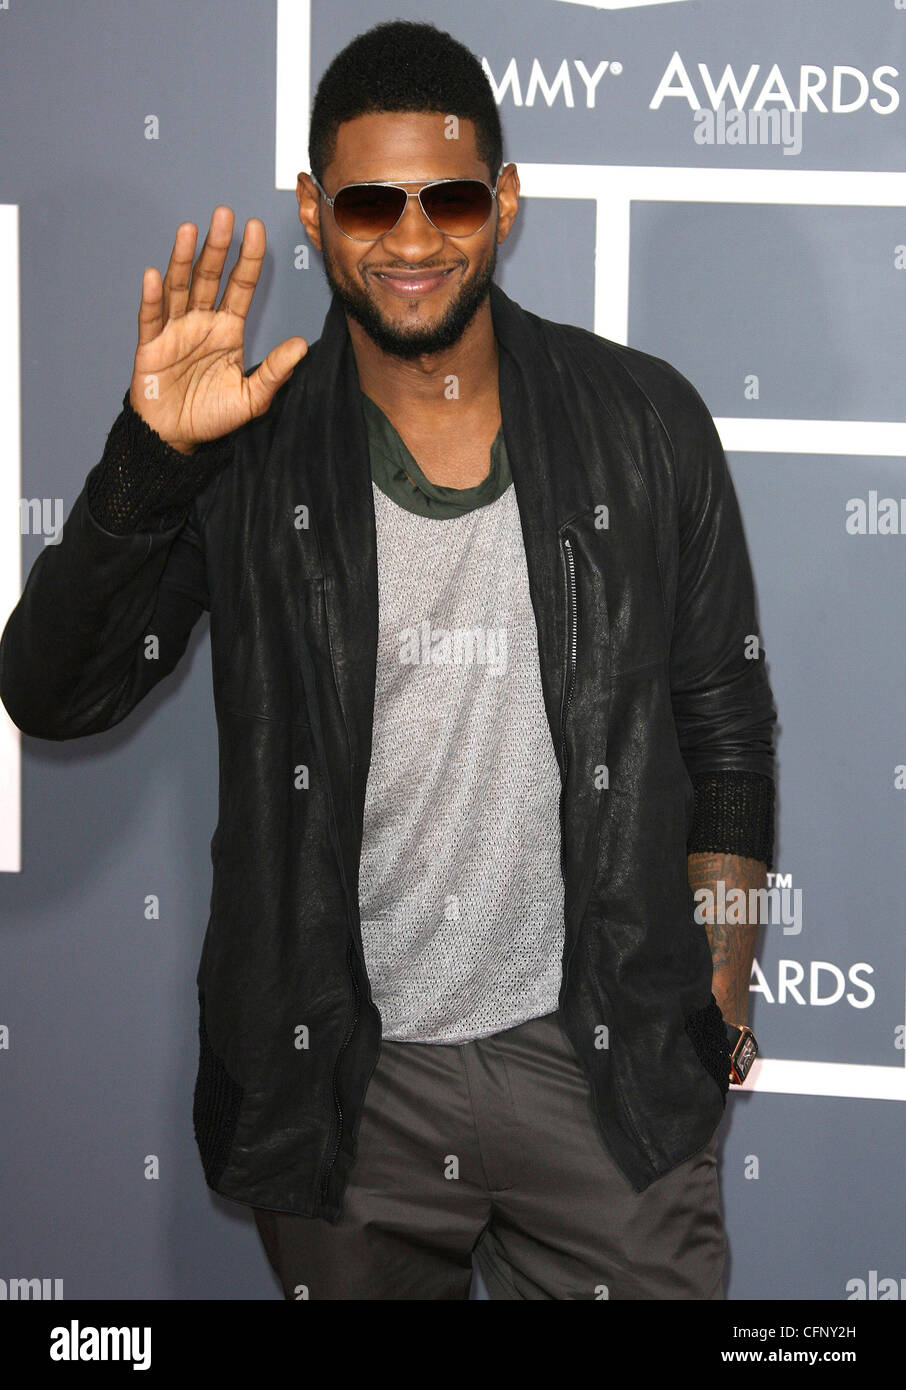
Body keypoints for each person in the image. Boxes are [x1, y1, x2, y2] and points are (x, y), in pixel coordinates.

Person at [0, 19, 776, 1300]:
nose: (412, 240)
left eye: (450, 197)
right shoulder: (244, 451)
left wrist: (720, 990)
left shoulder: (647, 424)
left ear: (505, 203)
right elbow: (52, 688)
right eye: (370, 202)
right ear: (314, 211)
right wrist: (150, 461)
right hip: (347, 1089)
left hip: (598, 1066)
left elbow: (728, 736)